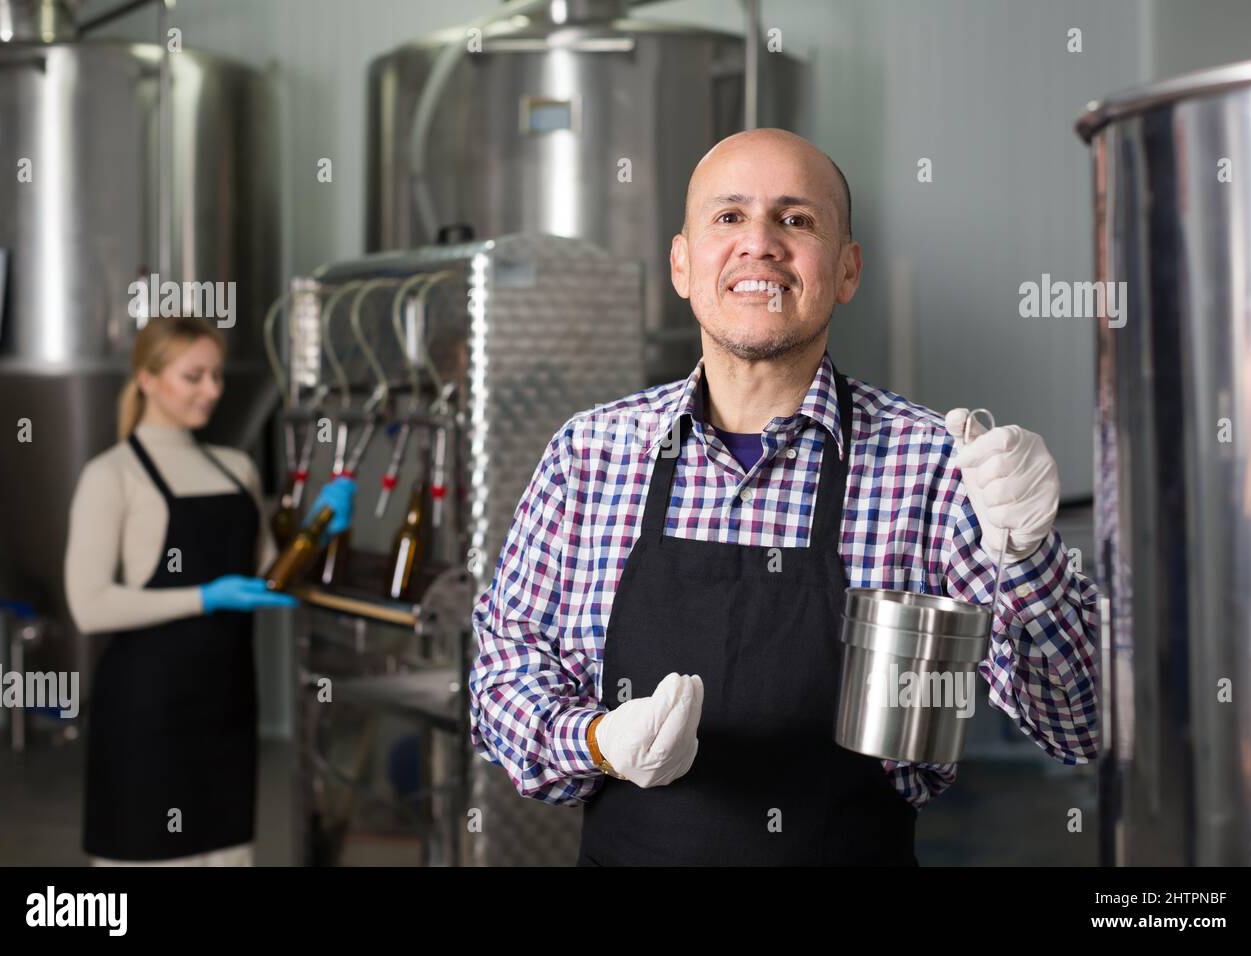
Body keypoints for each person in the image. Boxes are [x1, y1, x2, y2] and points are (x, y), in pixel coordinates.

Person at [469, 128, 1099, 866]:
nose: (760, 244)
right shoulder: (591, 454)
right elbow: (500, 678)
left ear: (847, 270)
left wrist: (1028, 557)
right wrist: (596, 740)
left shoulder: (932, 465)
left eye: (796, 220)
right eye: (728, 217)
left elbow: (1082, 727)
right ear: (681, 264)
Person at [64, 316, 355, 866]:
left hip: (226, 706)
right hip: (146, 714)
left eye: (217, 375)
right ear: (147, 379)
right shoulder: (112, 475)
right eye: (193, 376)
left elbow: (270, 575)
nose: (212, 390)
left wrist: (319, 530)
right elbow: (89, 605)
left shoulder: (235, 467)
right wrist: (204, 598)